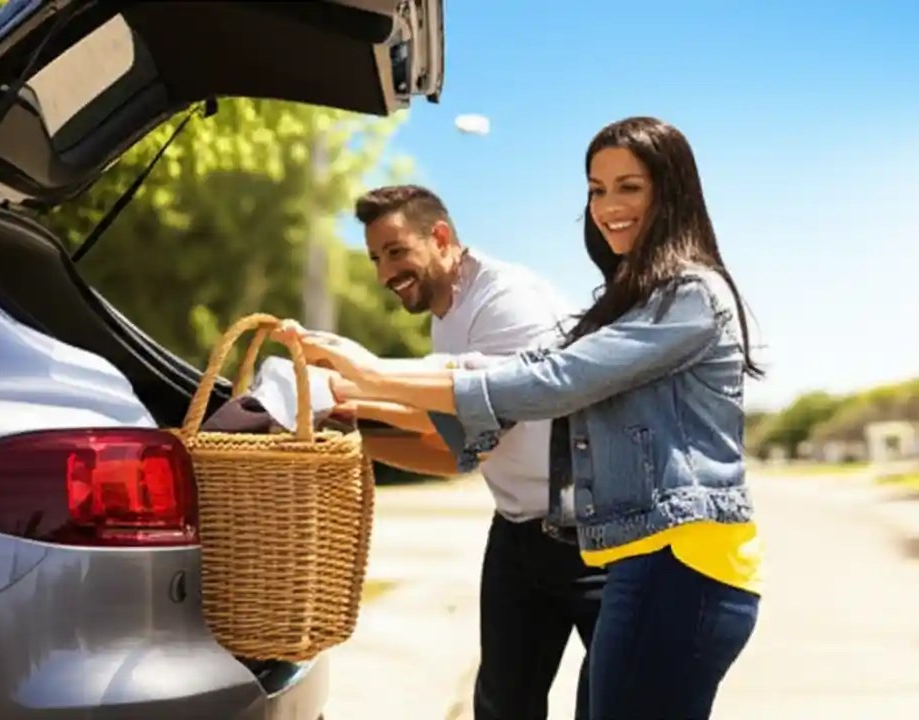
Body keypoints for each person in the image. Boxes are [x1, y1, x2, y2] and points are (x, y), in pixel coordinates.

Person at [284, 117, 765, 719]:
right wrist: (362, 415)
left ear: (671, 191)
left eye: (629, 187)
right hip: (635, 557)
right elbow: (513, 396)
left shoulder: (689, 297)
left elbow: (552, 382)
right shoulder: (629, 302)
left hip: (684, 563)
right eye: (596, 189)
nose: (608, 206)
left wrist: (373, 373)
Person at [333, 185, 605, 720]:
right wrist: (356, 434)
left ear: (440, 237)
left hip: (594, 539)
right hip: (518, 535)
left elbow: (486, 414)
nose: (384, 273)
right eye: (375, 259)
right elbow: (461, 449)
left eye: (395, 251)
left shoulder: (507, 300)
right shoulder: (446, 317)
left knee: (609, 705)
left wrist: (359, 382)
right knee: (502, 707)